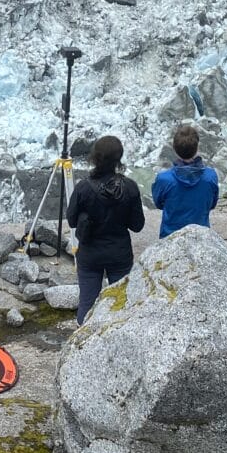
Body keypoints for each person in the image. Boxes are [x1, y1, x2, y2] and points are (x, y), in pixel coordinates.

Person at [66, 134, 145, 323]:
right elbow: (137, 226)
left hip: (90, 254)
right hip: (119, 254)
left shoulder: (83, 188)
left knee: (87, 302)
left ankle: (83, 335)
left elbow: (72, 221)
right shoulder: (130, 187)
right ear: (119, 159)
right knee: (121, 302)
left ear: (94, 158)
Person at [151, 122, 219, 238]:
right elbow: (212, 204)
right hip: (201, 235)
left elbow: (158, 203)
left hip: (170, 235)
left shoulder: (164, 179)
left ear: (174, 148)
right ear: (197, 147)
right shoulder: (210, 176)